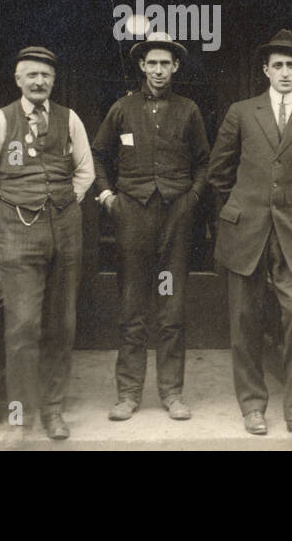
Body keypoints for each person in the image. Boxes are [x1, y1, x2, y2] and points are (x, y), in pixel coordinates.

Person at [207, 29, 292, 447]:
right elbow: (219, 170)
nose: (283, 72)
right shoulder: (242, 112)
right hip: (247, 231)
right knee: (245, 320)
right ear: (265, 69)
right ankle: (253, 405)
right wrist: (243, 204)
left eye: (291, 65)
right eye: (276, 65)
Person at [0, 46, 94, 440]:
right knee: (23, 325)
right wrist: (7, 210)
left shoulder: (69, 119)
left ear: (54, 81)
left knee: (61, 323)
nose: (40, 82)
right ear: (18, 80)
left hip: (66, 231)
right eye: (32, 75)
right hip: (18, 233)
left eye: (46, 76)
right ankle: (20, 413)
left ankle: (53, 409)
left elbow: (85, 171)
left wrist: (64, 202)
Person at [91, 32, 210, 423]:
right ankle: (128, 393)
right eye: (152, 63)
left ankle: (173, 393)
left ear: (176, 67)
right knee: (133, 303)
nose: (158, 70)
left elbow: (205, 163)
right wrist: (108, 195)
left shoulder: (188, 110)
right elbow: (98, 154)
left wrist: (191, 199)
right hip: (134, 217)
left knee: (171, 303)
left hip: (175, 218)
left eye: (166, 64)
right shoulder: (122, 109)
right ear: (142, 66)